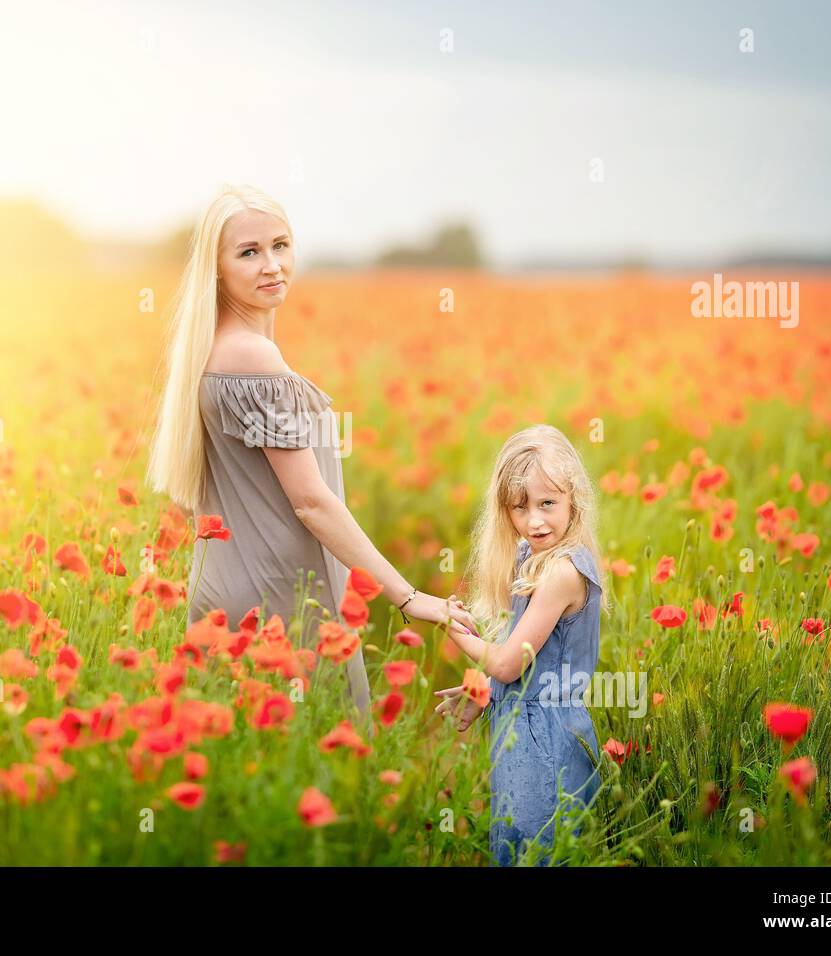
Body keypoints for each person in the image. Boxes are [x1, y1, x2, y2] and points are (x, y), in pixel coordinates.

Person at [146, 183, 477, 716]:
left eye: (280, 245)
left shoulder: (210, 352)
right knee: (320, 766)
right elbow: (311, 502)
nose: (272, 265)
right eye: (249, 253)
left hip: (223, 593)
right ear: (217, 269)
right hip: (282, 597)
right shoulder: (253, 358)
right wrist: (411, 598)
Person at [434, 424, 610, 865]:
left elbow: (511, 663)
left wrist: (454, 628)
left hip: (549, 737)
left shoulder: (562, 573)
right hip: (520, 728)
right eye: (520, 507)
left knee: (539, 850)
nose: (535, 520)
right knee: (515, 844)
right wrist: (485, 694)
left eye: (548, 503)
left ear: (574, 499)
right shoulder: (530, 558)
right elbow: (522, 655)